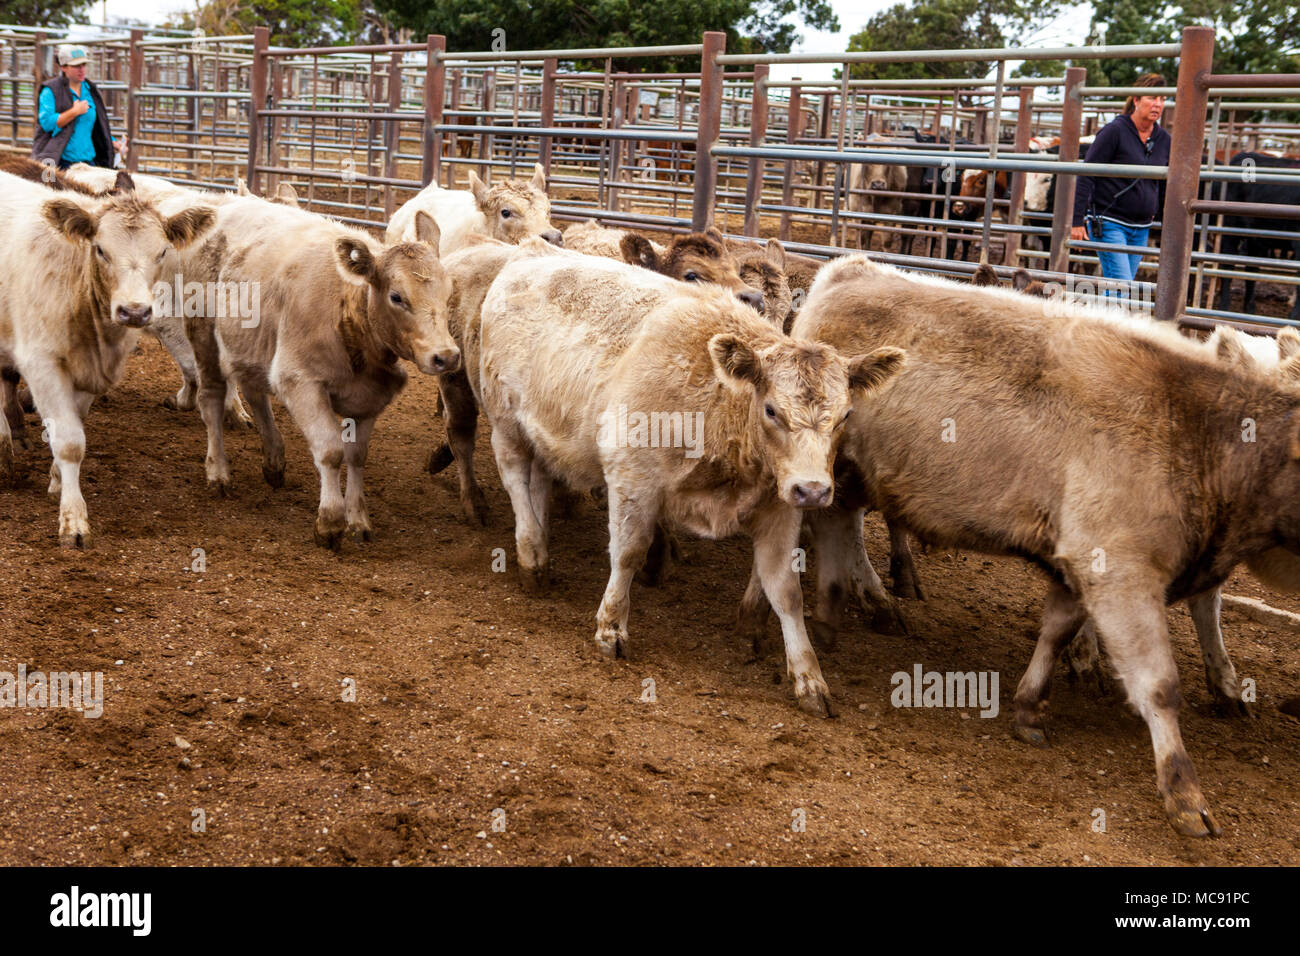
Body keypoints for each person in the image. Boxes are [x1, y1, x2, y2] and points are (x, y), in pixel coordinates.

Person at [1070, 72, 1170, 296]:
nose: (1158, 104)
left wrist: (1160, 217)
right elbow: (1086, 174)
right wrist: (1077, 220)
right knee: (1123, 288)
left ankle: (1095, 327)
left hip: (1141, 226)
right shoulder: (1114, 131)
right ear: (1135, 100)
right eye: (1152, 98)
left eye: (1163, 99)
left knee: (1121, 288)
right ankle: (1102, 329)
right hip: (1109, 222)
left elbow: (1164, 183)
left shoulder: (1164, 139)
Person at [31, 44, 128, 170]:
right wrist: (74, 112)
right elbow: (47, 123)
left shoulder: (90, 90)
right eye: (76, 66)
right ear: (63, 67)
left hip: (87, 162)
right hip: (54, 159)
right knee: (47, 185)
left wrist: (112, 142)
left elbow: (96, 125)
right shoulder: (50, 90)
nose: (82, 69)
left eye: (84, 65)